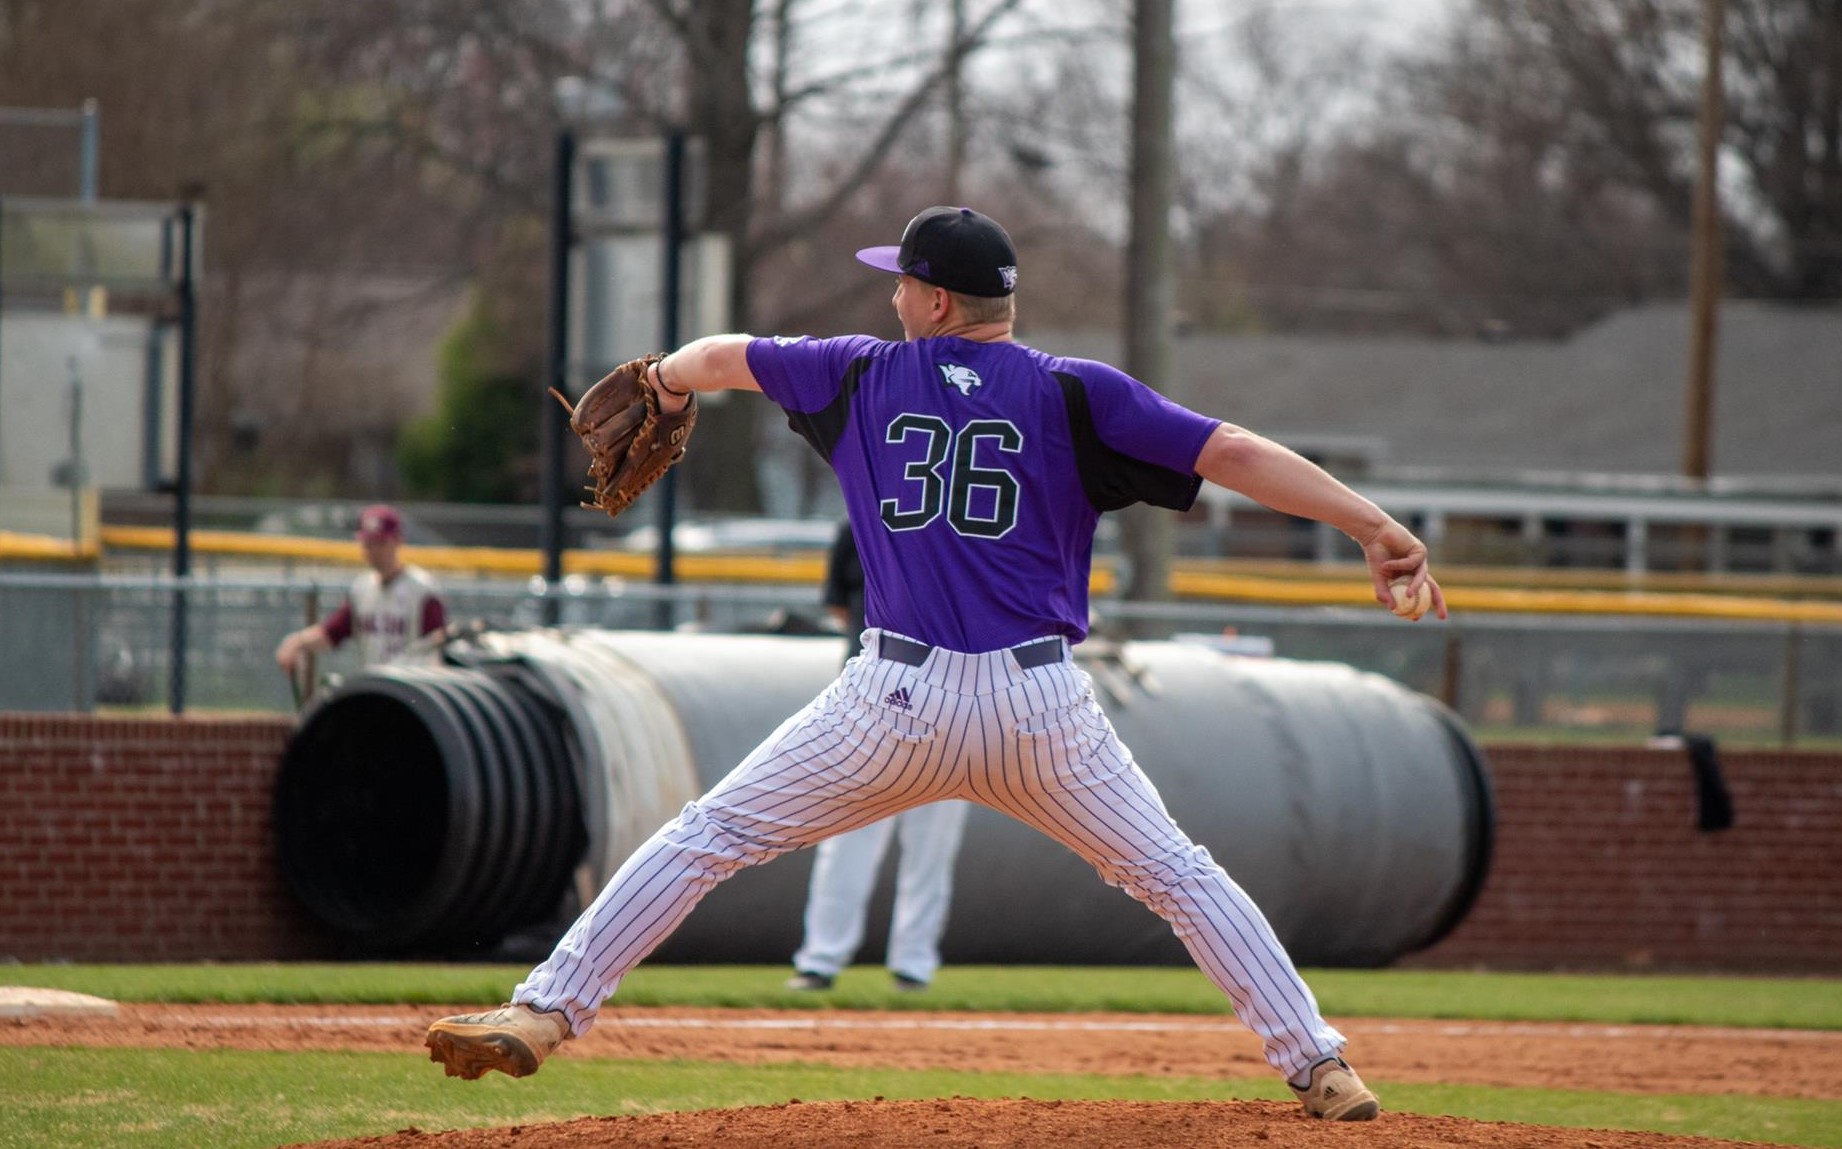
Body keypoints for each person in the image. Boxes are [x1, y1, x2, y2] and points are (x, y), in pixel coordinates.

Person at [425, 205, 1447, 1121]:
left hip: (892, 702)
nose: (893, 292)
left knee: (709, 836)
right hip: (1039, 710)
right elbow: (1229, 452)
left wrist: (662, 383)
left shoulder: (859, 370)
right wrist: (1372, 525)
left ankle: (544, 1013)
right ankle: (1321, 1065)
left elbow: (721, 356)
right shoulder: (1080, 393)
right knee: (1178, 875)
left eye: (904, 279)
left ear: (939, 301)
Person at [784, 519, 971, 993]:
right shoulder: (860, 521)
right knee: (854, 836)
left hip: (948, 707)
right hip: (884, 706)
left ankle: (902, 963)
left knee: (921, 845)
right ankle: (829, 959)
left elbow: (839, 607)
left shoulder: (873, 515)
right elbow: (840, 606)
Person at [273, 504, 447, 675]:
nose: (373, 550)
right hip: (373, 686)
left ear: (397, 541)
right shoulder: (362, 588)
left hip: (411, 691)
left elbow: (437, 649)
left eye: (379, 543)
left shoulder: (423, 590)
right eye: (368, 543)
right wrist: (297, 642)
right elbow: (333, 633)